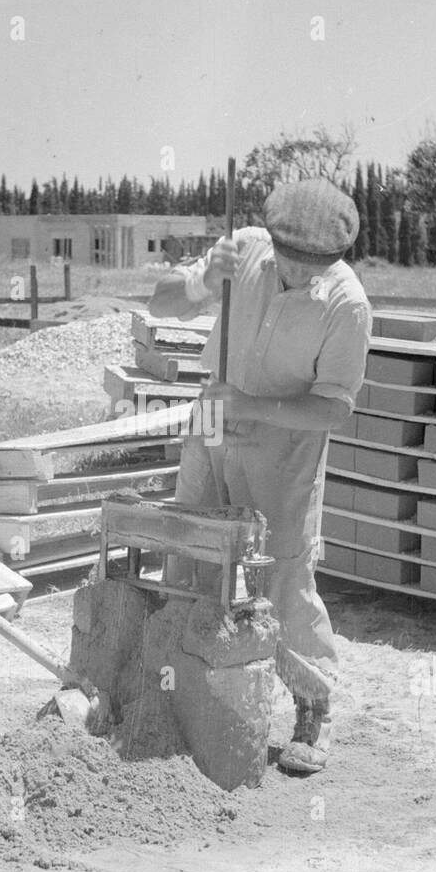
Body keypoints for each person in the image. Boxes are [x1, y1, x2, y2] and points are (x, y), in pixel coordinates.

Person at [148, 177, 372, 774]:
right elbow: (160, 302)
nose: (294, 277)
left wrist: (247, 405)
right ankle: (183, 693)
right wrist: (200, 281)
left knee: (283, 580)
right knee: (190, 553)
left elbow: (333, 409)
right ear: (273, 243)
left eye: (310, 270)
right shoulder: (243, 248)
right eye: (287, 263)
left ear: (334, 258)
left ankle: (314, 707)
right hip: (212, 429)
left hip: (285, 448)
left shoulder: (348, 306)